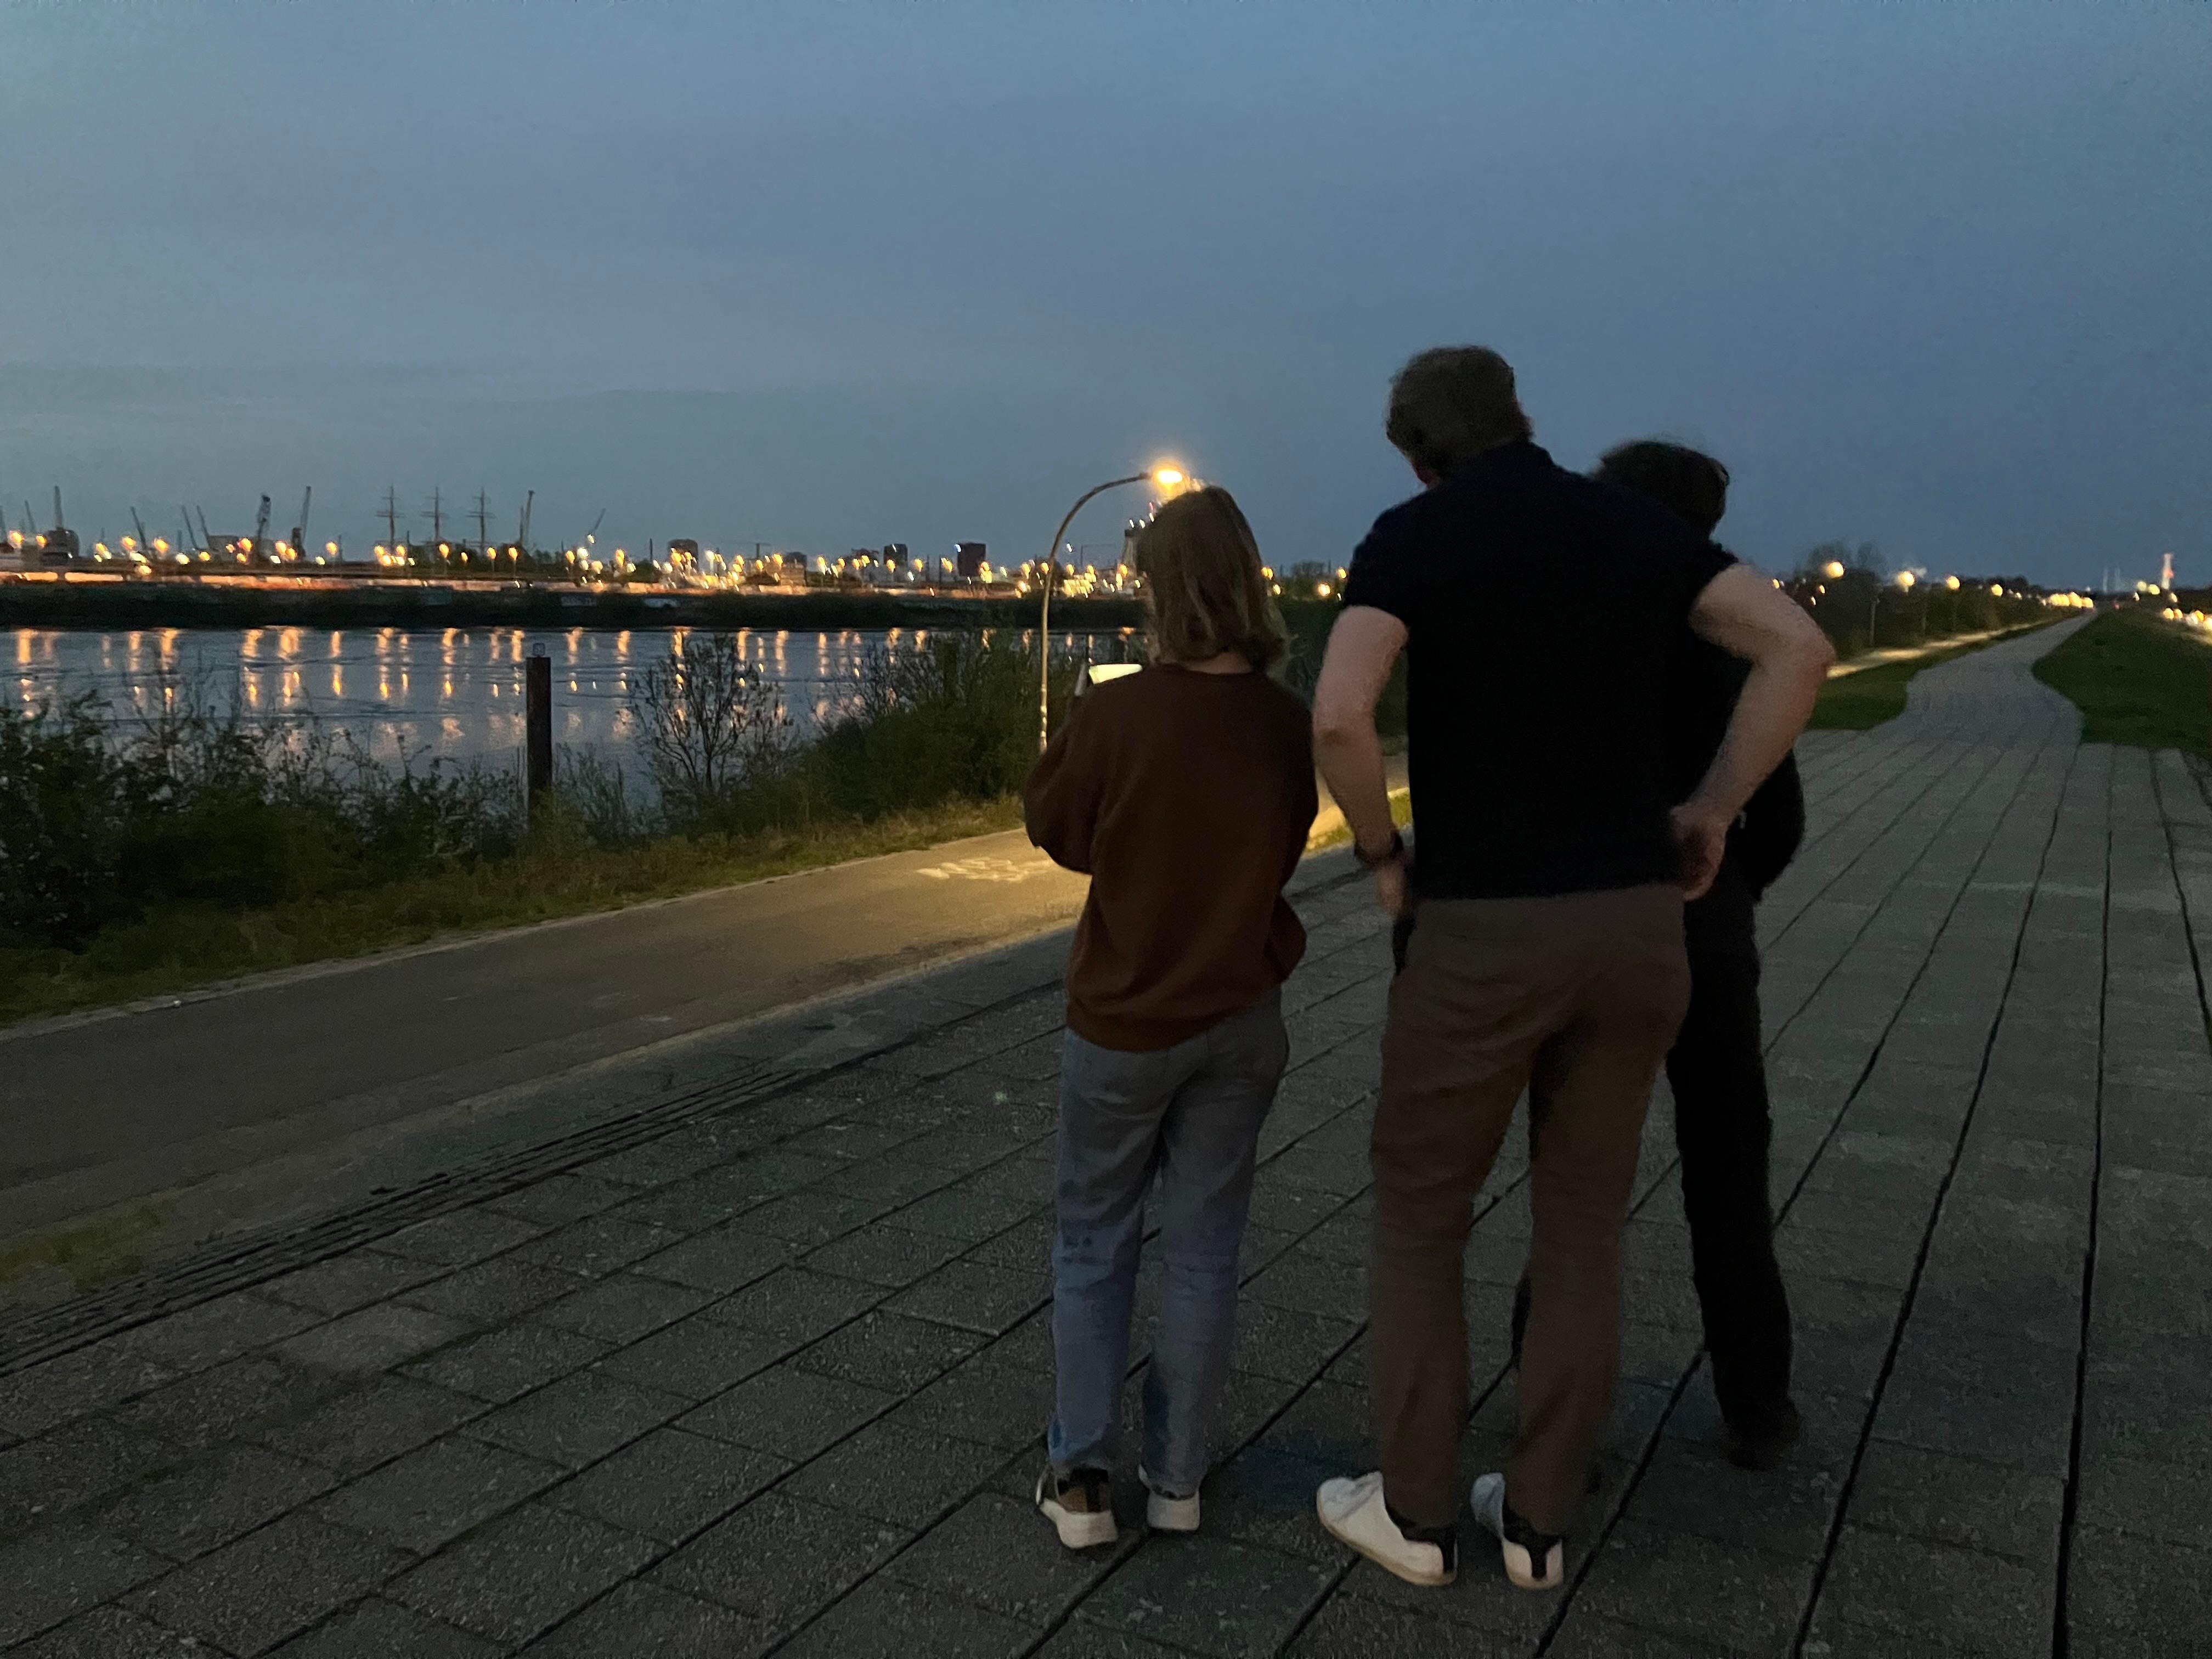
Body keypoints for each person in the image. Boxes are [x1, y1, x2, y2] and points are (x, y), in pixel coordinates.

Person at [1308, 348, 1832, 1592]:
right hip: (1637, 931)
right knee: (1585, 1222)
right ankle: (1538, 1525)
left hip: (1482, 932)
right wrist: (1711, 808)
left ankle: (1417, 1515)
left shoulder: (1415, 536)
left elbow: (1337, 714)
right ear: (1521, 417)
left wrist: (1381, 854)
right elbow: (1798, 650)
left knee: (1423, 1218)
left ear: (1417, 453)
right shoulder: (1628, 527)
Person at [1024, 484, 1318, 1549]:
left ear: (1156, 591)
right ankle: (1180, 1475)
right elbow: (1288, 838)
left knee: (1095, 1242)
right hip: (1241, 1015)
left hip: (1124, 1018)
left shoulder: (1117, 714)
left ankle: (1081, 1478)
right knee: (1204, 1248)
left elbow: (1055, 827)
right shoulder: (1283, 723)